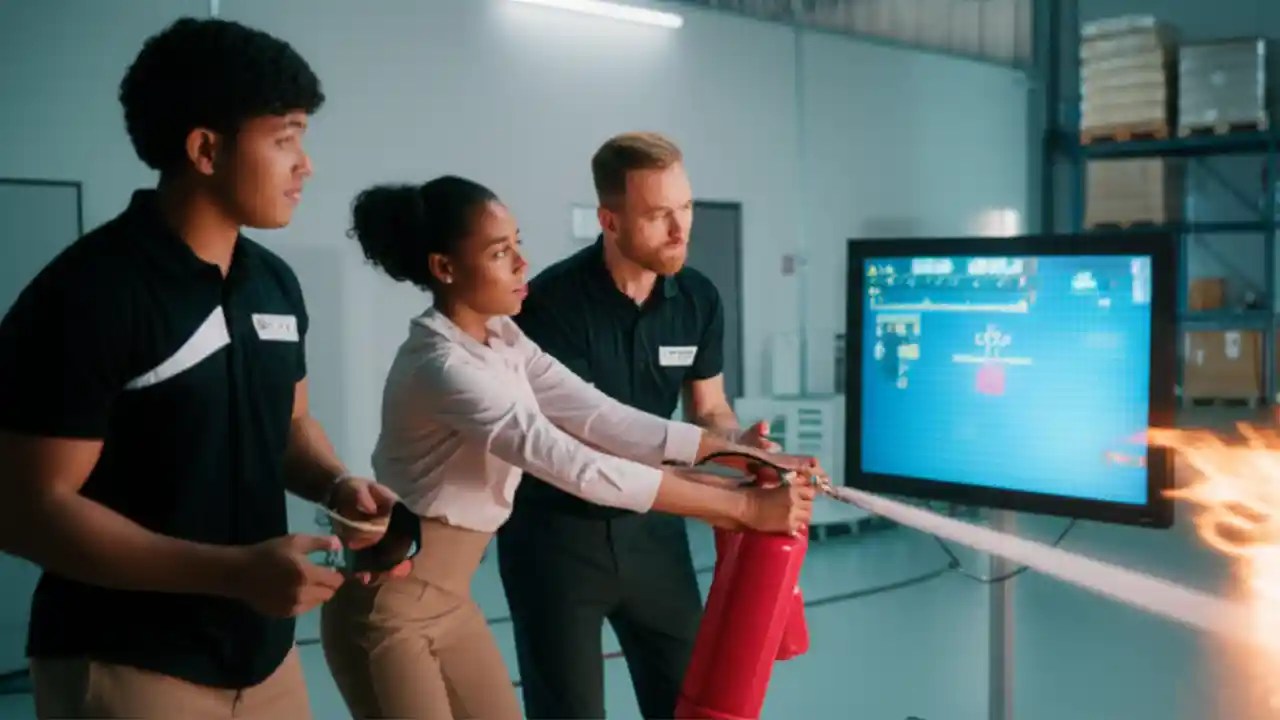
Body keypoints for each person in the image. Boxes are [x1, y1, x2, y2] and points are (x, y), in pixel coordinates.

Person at [0, 18, 405, 720]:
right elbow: (26, 511)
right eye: (284, 140)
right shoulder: (93, 293)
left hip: (266, 658)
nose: (305, 164)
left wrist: (341, 486)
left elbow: (292, 424)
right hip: (128, 663)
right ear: (205, 149)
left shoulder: (272, 283)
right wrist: (233, 574)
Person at [319, 175, 817, 720]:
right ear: (445, 268)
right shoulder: (445, 367)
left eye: (518, 243)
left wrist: (740, 457)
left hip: (451, 603)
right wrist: (740, 507)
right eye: (499, 251)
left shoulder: (504, 340)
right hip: (390, 607)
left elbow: (603, 418)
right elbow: (574, 463)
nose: (521, 263)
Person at [498, 131, 775, 719]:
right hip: (557, 538)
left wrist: (739, 446)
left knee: (687, 705)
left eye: (686, 208)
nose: (681, 230)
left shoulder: (699, 299)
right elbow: (581, 442)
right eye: (657, 215)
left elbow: (709, 407)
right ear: (610, 220)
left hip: (656, 533)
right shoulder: (549, 304)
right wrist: (725, 496)